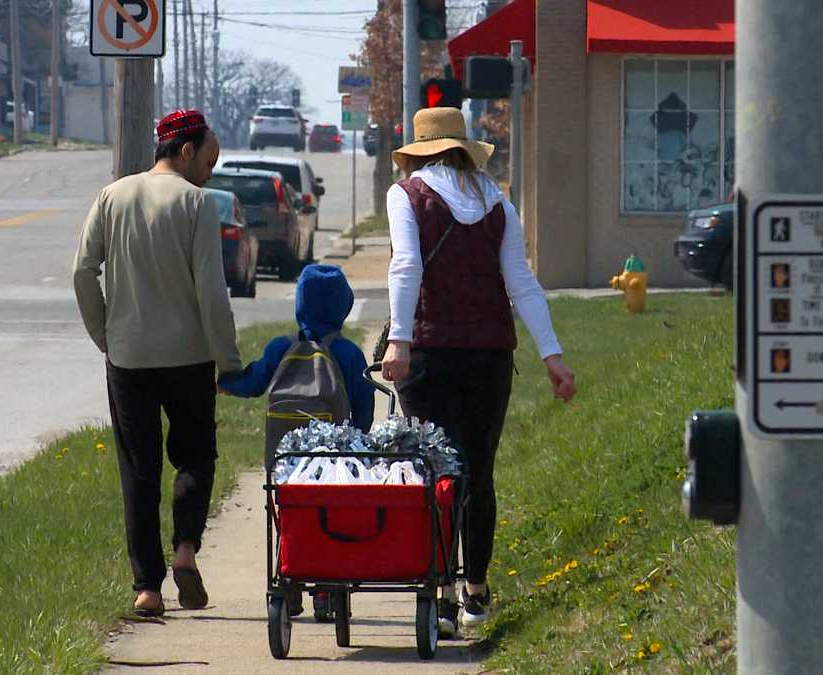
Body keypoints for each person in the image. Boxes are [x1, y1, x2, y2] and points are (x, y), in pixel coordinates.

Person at [380, 107, 577, 637]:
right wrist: (552, 356)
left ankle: (441, 593)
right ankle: (477, 589)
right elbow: (522, 283)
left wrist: (399, 340)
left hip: (429, 354)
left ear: (419, 151)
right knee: (478, 472)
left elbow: (406, 266)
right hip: (489, 354)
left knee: (438, 473)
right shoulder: (496, 201)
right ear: (464, 149)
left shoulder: (406, 195)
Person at [72, 109, 242, 618]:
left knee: (138, 469)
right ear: (186, 152)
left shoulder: (112, 196)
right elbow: (211, 291)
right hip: (189, 358)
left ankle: (147, 588)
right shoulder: (198, 204)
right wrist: (228, 360)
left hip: (128, 358)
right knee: (195, 456)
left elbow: (83, 271)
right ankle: (185, 550)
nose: (209, 174)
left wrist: (104, 335)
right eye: (208, 162)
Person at [217, 263, 375, 621]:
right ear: (343, 306)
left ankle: (288, 576)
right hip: (334, 459)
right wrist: (360, 440)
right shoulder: (348, 353)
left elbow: (254, 382)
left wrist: (226, 384)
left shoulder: (281, 348)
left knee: (289, 515)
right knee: (329, 516)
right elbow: (363, 404)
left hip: (285, 458)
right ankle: (325, 587)